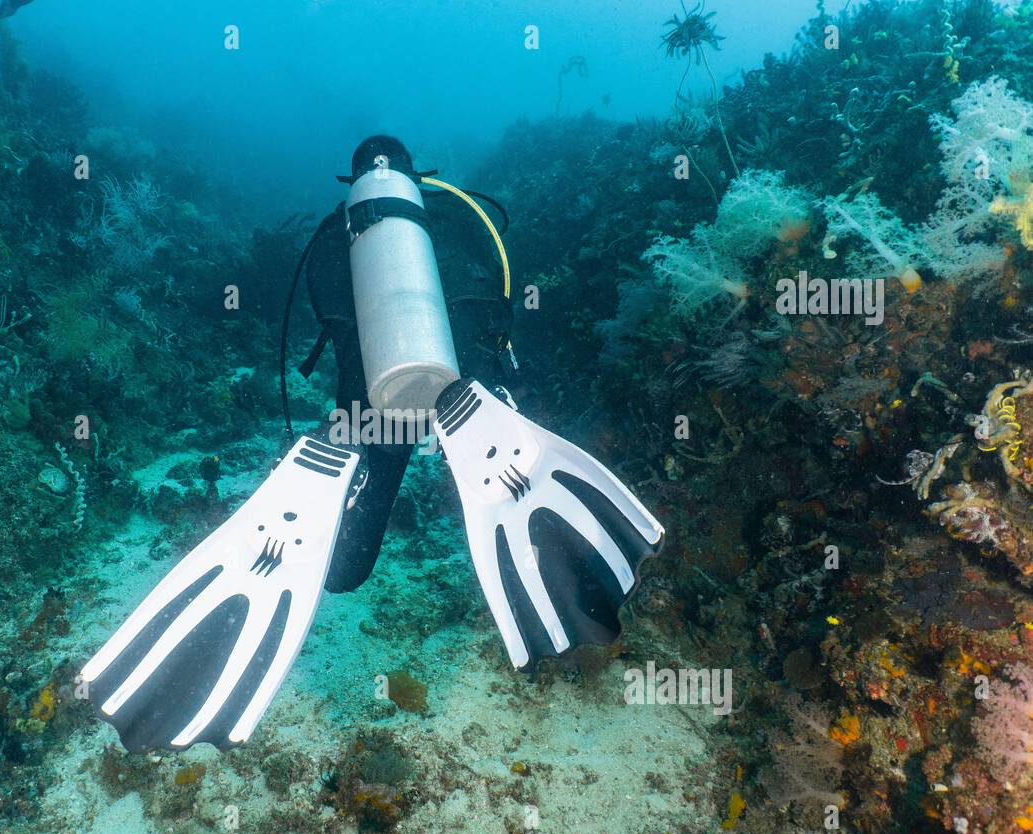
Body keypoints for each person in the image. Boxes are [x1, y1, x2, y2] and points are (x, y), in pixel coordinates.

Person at [79, 136, 664, 752]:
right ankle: (577, 585)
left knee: (343, 570)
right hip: (468, 388)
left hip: (373, 399)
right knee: (503, 472)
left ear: (352, 178)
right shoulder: (463, 210)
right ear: (420, 174)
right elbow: (500, 293)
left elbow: (324, 316)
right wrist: (490, 372)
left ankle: (323, 472)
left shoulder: (343, 229)